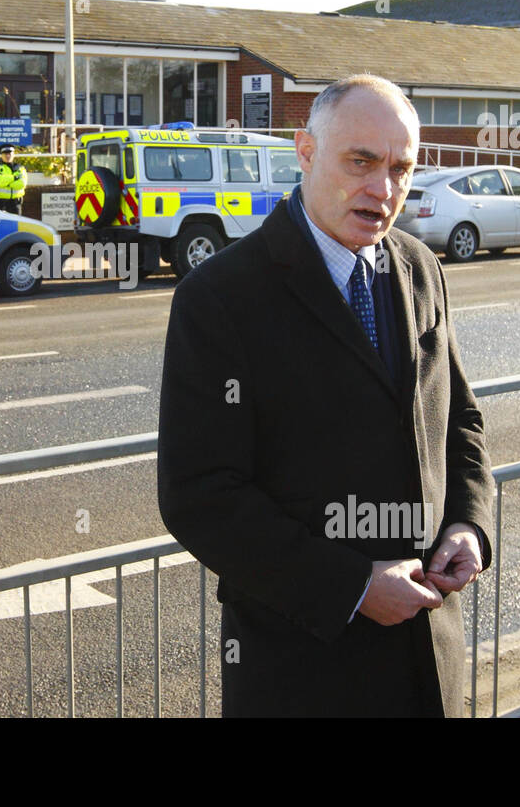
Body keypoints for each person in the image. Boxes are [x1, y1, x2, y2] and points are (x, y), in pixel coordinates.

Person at [157, 74, 495, 717]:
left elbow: (461, 422)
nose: (384, 189)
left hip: (430, 667)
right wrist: (353, 587)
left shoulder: (422, 268)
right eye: (361, 161)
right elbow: (199, 493)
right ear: (305, 152)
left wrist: (467, 523)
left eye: (401, 167)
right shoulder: (221, 298)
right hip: (303, 673)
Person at [0, 144, 27, 215]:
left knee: (15, 225)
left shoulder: (20, 168)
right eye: (5, 154)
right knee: (0, 225)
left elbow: (22, 184)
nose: (7, 156)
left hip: (15, 204)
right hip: (0, 203)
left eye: (9, 153)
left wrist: (5, 182)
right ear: (1, 155)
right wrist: (14, 178)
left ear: (13, 154)